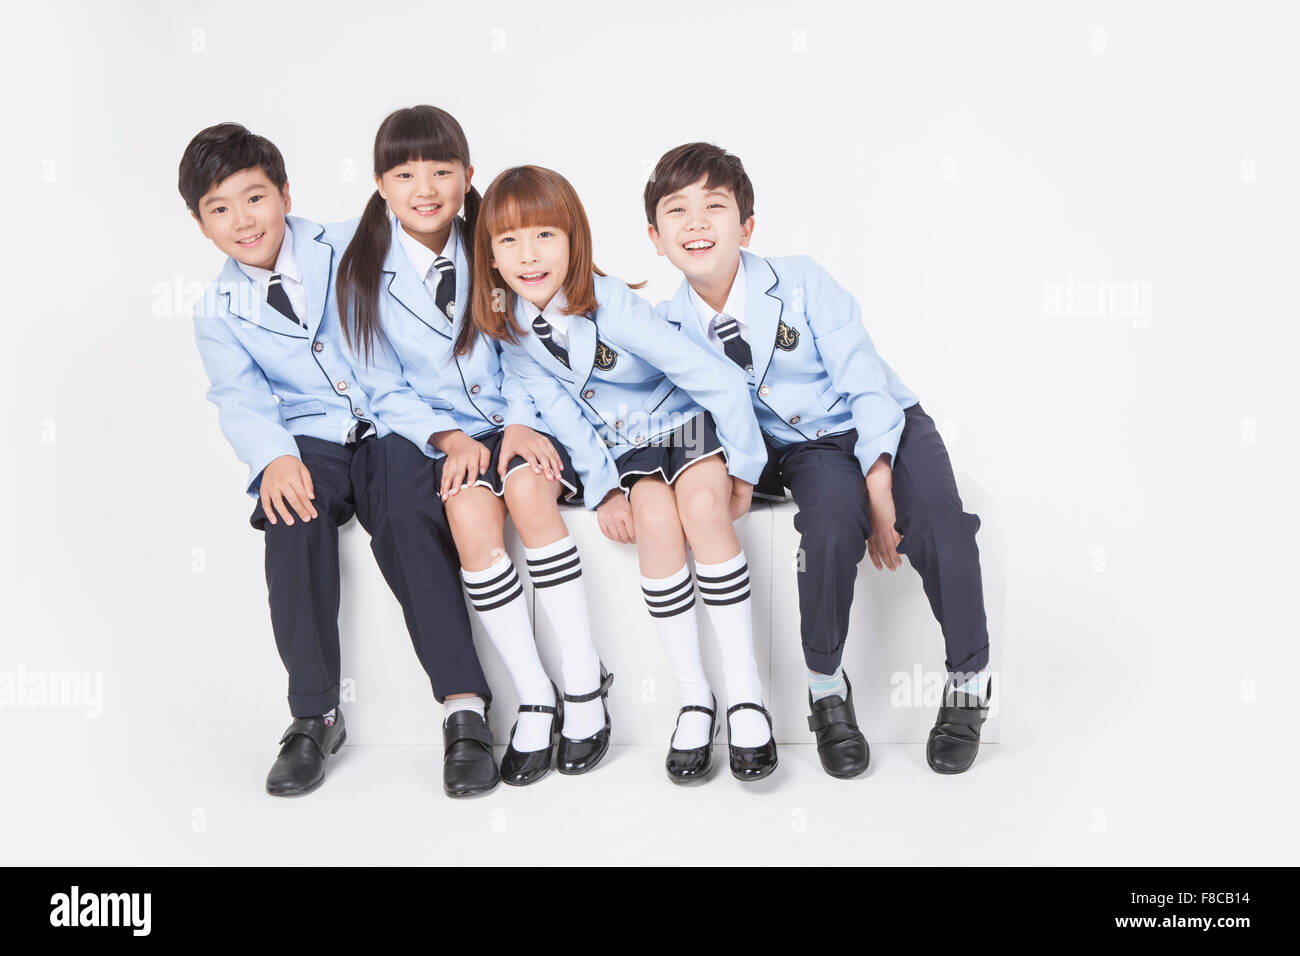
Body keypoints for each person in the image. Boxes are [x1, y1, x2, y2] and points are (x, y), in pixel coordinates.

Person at [645, 142, 993, 776]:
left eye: (714, 206)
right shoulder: (667, 327)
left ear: (746, 226)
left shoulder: (800, 279)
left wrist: (881, 485)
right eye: (677, 210)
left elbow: (863, 378)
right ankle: (826, 689)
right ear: (656, 237)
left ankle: (969, 679)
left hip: (884, 419)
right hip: (804, 450)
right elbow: (672, 413)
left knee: (940, 522)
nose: (696, 223)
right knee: (830, 526)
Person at [179, 123, 493, 798]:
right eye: (219, 209)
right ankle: (314, 714)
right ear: (201, 225)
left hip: (391, 423)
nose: (243, 220)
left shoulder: (355, 239)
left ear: (286, 194)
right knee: (290, 518)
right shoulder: (216, 310)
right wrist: (272, 459)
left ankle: (464, 706)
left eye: (255, 198)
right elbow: (239, 399)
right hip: (309, 439)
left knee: (410, 517)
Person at [471, 165, 778, 783]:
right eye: (508, 242)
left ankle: (747, 695)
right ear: (491, 257)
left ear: (574, 239)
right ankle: (696, 698)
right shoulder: (509, 330)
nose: (528, 256)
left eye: (544, 236)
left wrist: (745, 466)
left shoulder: (609, 301)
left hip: (685, 425)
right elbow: (564, 413)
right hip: (628, 450)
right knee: (657, 524)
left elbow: (710, 378)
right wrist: (606, 485)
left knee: (702, 512)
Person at [336, 107, 612, 787]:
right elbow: (379, 387)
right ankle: (535, 695)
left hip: (527, 418)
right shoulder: (362, 268)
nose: (425, 186)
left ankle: (584, 685)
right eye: (405, 173)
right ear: (380, 183)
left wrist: (519, 424)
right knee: (464, 510)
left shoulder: (498, 243)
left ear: (467, 176)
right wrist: (448, 436)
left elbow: (524, 343)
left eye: (441, 170)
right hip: (447, 435)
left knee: (524, 488)